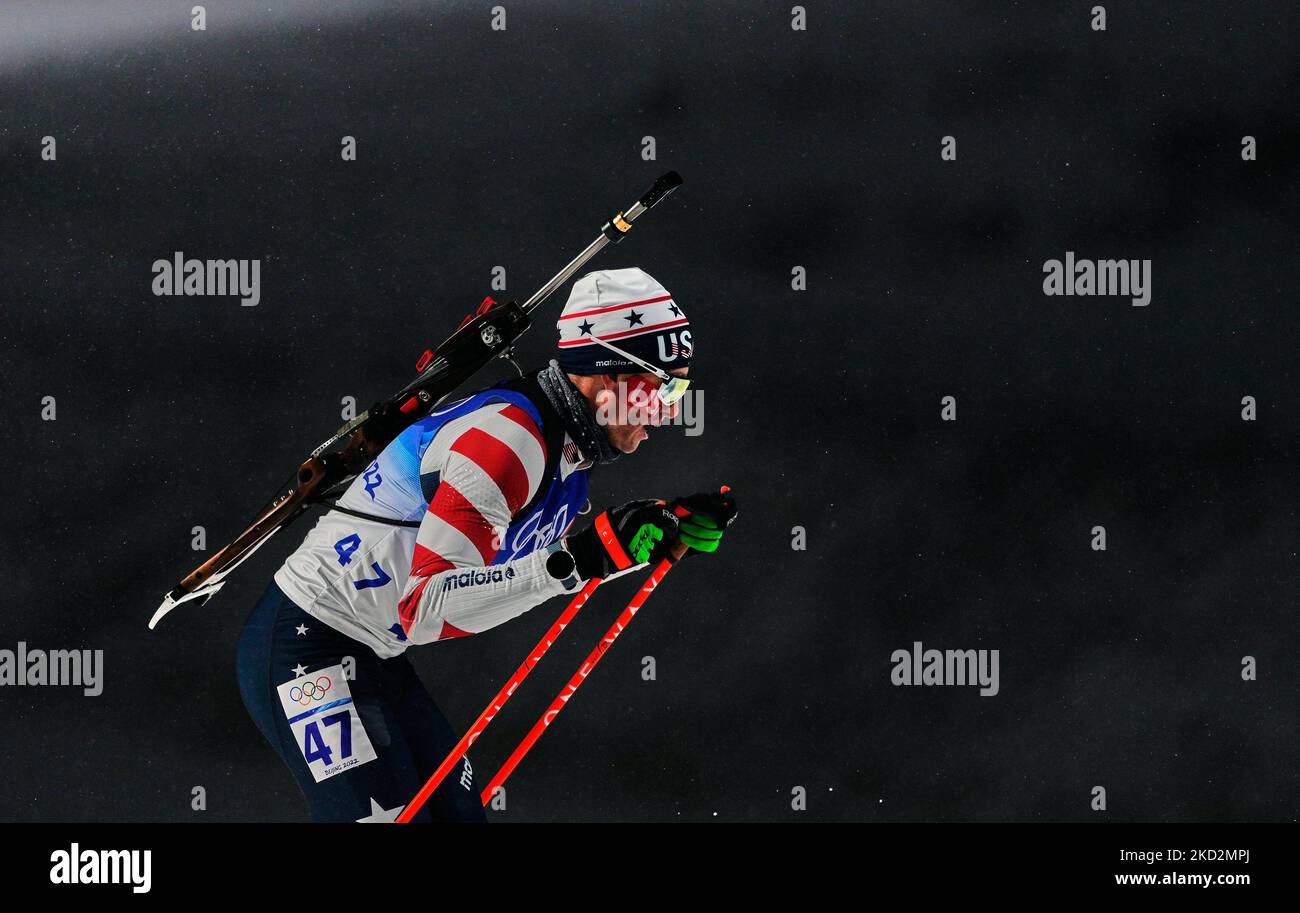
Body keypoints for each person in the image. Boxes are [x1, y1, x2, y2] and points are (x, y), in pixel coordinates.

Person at [235, 267, 737, 822]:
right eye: (661, 388)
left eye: (680, 390)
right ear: (604, 375)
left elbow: (542, 565)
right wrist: (584, 559)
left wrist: (648, 532)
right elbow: (427, 608)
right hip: (307, 652)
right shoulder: (508, 442)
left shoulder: (567, 458)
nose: (669, 411)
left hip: (374, 654)